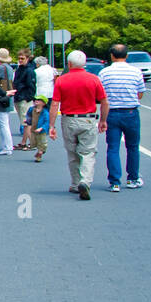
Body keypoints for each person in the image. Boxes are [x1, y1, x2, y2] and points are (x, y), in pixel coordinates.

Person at [49, 49, 109, 200]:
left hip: (69, 119)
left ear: (69, 64)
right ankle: (85, 181)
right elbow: (104, 101)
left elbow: (55, 104)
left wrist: (51, 125)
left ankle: (76, 183)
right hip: (88, 118)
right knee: (88, 152)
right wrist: (103, 120)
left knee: (72, 152)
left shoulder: (61, 80)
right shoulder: (93, 79)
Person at [98, 42, 145, 192]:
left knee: (112, 148)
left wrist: (102, 119)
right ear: (126, 55)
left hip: (112, 112)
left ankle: (115, 182)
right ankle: (132, 178)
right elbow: (140, 93)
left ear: (112, 55)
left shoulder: (104, 73)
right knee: (132, 147)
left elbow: (101, 95)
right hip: (130, 112)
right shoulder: (136, 71)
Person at [12, 49, 37, 148]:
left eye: (22, 58)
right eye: (19, 58)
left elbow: (32, 86)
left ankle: (32, 143)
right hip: (18, 97)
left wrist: (28, 98)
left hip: (24, 98)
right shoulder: (19, 69)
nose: (20, 60)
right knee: (24, 122)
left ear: (27, 58)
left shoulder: (29, 71)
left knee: (26, 122)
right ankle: (24, 142)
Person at [26, 95, 50, 162]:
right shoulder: (31, 109)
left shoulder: (45, 112)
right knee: (34, 142)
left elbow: (47, 121)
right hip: (33, 129)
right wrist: (27, 121)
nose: (36, 101)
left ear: (44, 103)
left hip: (41, 130)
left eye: (39, 100)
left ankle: (40, 153)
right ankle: (41, 150)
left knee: (42, 142)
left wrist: (42, 128)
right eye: (35, 100)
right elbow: (29, 116)